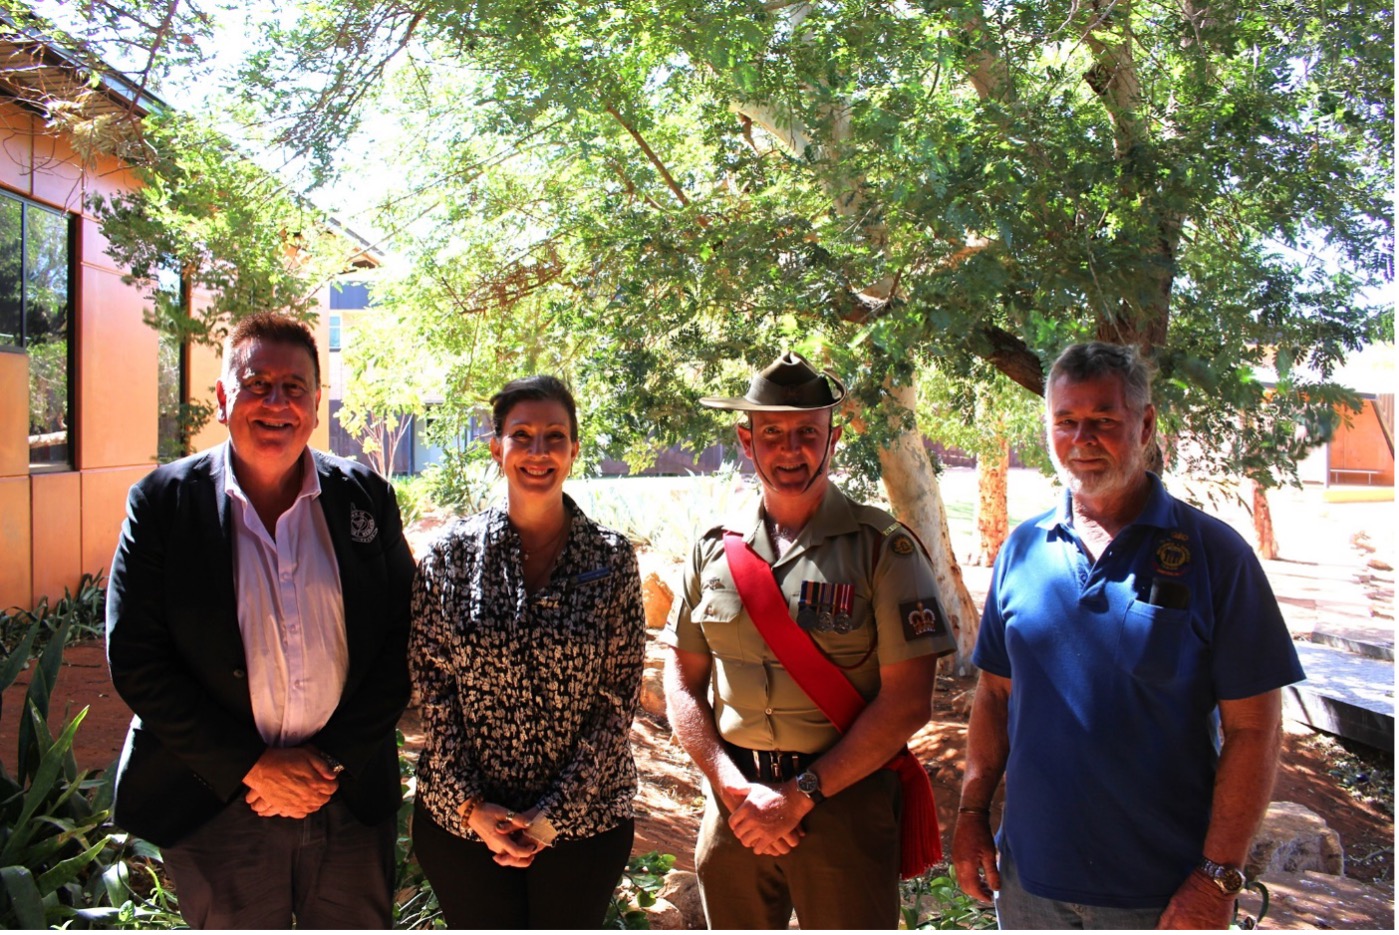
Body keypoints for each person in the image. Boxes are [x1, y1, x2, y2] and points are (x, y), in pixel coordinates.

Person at [952, 341, 1306, 929]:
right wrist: (970, 813)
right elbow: (994, 694)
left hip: (1161, 894)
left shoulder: (1214, 555)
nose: (1082, 438)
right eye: (1065, 421)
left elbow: (1255, 729)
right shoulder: (1020, 549)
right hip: (1028, 886)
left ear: (1144, 424)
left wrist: (1217, 876)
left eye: (1104, 420)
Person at [106, 312, 415, 928]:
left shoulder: (365, 498)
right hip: (215, 798)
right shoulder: (163, 504)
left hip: (346, 796)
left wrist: (328, 761)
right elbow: (137, 658)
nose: (277, 402)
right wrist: (252, 765)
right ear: (223, 397)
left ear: (317, 403)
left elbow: (404, 642)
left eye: (294, 387)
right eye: (257, 383)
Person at [661, 352, 955, 929]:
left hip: (843, 804)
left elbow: (908, 701)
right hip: (735, 807)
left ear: (833, 438)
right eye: (772, 433)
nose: (789, 449)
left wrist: (798, 796)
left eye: (806, 433)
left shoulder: (881, 548)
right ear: (746, 440)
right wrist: (728, 784)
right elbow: (682, 679)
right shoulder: (712, 551)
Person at [409, 375, 646, 929]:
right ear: (497, 448)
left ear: (574, 450)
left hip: (584, 826)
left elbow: (616, 705)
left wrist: (550, 818)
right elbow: (434, 694)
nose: (538, 452)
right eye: (522, 435)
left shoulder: (611, 561)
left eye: (554, 437)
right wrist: (474, 808)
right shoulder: (450, 558)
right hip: (462, 826)